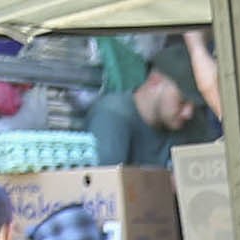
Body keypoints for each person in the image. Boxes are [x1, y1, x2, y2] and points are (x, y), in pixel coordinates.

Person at [88, 37, 220, 171]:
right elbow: (105, 184)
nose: (188, 113)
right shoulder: (113, 115)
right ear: (155, 82)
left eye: (195, 105)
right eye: (182, 101)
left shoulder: (190, 120)